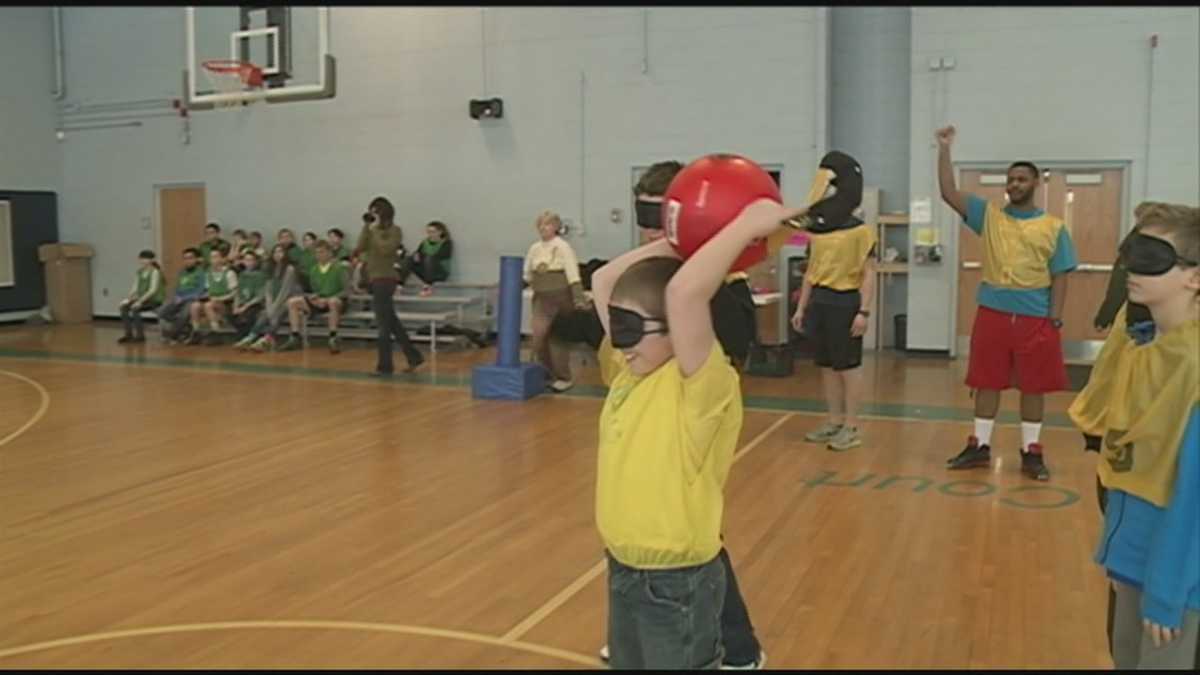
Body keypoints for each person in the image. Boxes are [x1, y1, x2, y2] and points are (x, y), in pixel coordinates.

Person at [590, 196, 802, 669]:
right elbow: (602, 281)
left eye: (630, 330)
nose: (618, 344)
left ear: (676, 330)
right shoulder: (629, 373)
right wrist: (680, 238)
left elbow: (684, 293)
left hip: (677, 582)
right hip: (623, 569)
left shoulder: (702, 388)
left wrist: (742, 225)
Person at [1068, 201, 1199, 669]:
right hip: (1134, 559)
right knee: (1124, 655)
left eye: (1152, 255)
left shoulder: (1193, 368)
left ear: (1195, 276)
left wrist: (1167, 591)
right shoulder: (1143, 346)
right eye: (1130, 252)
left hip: (1178, 579)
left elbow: (1193, 498)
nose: (1131, 267)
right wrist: (1117, 554)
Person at [936, 125, 1078, 481]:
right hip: (993, 315)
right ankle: (979, 446)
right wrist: (944, 149)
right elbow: (948, 192)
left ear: (1035, 184)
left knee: (1034, 385)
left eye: (1021, 179)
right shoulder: (989, 216)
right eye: (1010, 179)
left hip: (1036, 318)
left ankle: (1031, 451)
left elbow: (1061, 274)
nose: (1014, 184)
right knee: (986, 381)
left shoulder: (1054, 227)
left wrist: (1055, 320)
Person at [790, 214, 877, 451]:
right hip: (819, 300)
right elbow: (810, 272)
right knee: (827, 367)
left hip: (845, 301)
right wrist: (801, 308)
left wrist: (864, 311)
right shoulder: (819, 230)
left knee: (847, 368)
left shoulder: (861, 230)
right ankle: (834, 421)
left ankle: (851, 426)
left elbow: (869, 273)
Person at [355, 196, 424, 374]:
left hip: (385, 279)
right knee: (391, 321)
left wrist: (375, 231)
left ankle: (385, 366)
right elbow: (360, 247)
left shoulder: (395, 231)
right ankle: (414, 356)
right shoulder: (371, 230)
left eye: (375, 212)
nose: (373, 215)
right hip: (373, 277)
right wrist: (366, 228)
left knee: (383, 325)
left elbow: (386, 249)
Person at [524, 210, 587, 392]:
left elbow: (572, 272)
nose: (544, 228)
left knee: (557, 338)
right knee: (538, 337)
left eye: (548, 224)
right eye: (541, 225)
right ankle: (545, 372)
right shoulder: (534, 248)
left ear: (556, 227)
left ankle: (563, 376)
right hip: (541, 297)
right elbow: (527, 274)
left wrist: (578, 296)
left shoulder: (563, 247)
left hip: (560, 297)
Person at [280, 241, 348, 354]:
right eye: (316, 253)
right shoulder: (314, 269)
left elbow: (347, 290)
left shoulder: (339, 268)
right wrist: (313, 297)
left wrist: (327, 299)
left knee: (333, 302)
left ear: (330, 253)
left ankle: (333, 337)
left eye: (322, 252)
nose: (319, 255)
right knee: (292, 302)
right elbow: (314, 290)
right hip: (319, 300)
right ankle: (295, 335)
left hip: (336, 300)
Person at [241, 244, 302, 353]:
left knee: (276, 314)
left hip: (287, 300)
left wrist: (274, 306)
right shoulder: (270, 269)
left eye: (280, 252)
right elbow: (268, 289)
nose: (278, 255)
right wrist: (270, 305)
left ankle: (267, 339)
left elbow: (286, 290)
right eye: (275, 252)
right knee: (265, 313)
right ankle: (251, 336)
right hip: (273, 301)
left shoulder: (290, 269)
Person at [187, 247, 239, 346]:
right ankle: (196, 332)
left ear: (222, 259)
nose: (213, 260)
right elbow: (206, 291)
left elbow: (234, 294)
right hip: (211, 300)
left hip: (225, 303)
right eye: (211, 257)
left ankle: (216, 333)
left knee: (208, 305)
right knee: (195, 306)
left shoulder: (229, 273)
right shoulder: (208, 273)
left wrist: (219, 298)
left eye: (215, 257)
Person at [157, 247, 207, 343]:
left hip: (192, 300)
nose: (187, 261)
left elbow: (200, 291)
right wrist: (175, 296)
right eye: (185, 258)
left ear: (196, 259)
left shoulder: (201, 273)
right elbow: (177, 287)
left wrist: (184, 298)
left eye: (190, 258)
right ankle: (184, 328)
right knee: (162, 312)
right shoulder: (182, 272)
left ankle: (173, 335)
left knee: (183, 315)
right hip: (179, 298)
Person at [117, 249, 166, 344]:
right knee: (123, 307)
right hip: (142, 299)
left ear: (152, 260)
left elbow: (152, 290)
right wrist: (128, 299)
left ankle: (140, 336)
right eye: (142, 258)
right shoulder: (139, 272)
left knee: (135, 309)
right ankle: (128, 335)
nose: (144, 261)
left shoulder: (155, 272)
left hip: (154, 300)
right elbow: (134, 287)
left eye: (147, 259)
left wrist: (139, 302)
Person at [229, 251, 267, 343]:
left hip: (255, 303)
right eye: (246, 260)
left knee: (248, 314)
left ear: (256, 262)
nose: (249, 262)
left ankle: (251, 336)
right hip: (243, 302)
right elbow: (238, 293)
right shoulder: (242, 275)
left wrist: (245, 306)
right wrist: (236, 306)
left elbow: (260, 296)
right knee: (230, 313)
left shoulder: (260, 275)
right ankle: (243, 335)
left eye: (251, 260)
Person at [410, 221, 454, 296]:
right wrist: (415, 255)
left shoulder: (446, 243)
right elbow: (418, 253)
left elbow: (439, 256)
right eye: (428, 232)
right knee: (409, 259)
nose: (430, 234)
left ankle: (428, 286)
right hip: (426, 271)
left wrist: (423, 256)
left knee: (429, 259)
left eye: (433, 232)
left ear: (440, 232)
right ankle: (399, 285)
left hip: (440, 272)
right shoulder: (425, 242)